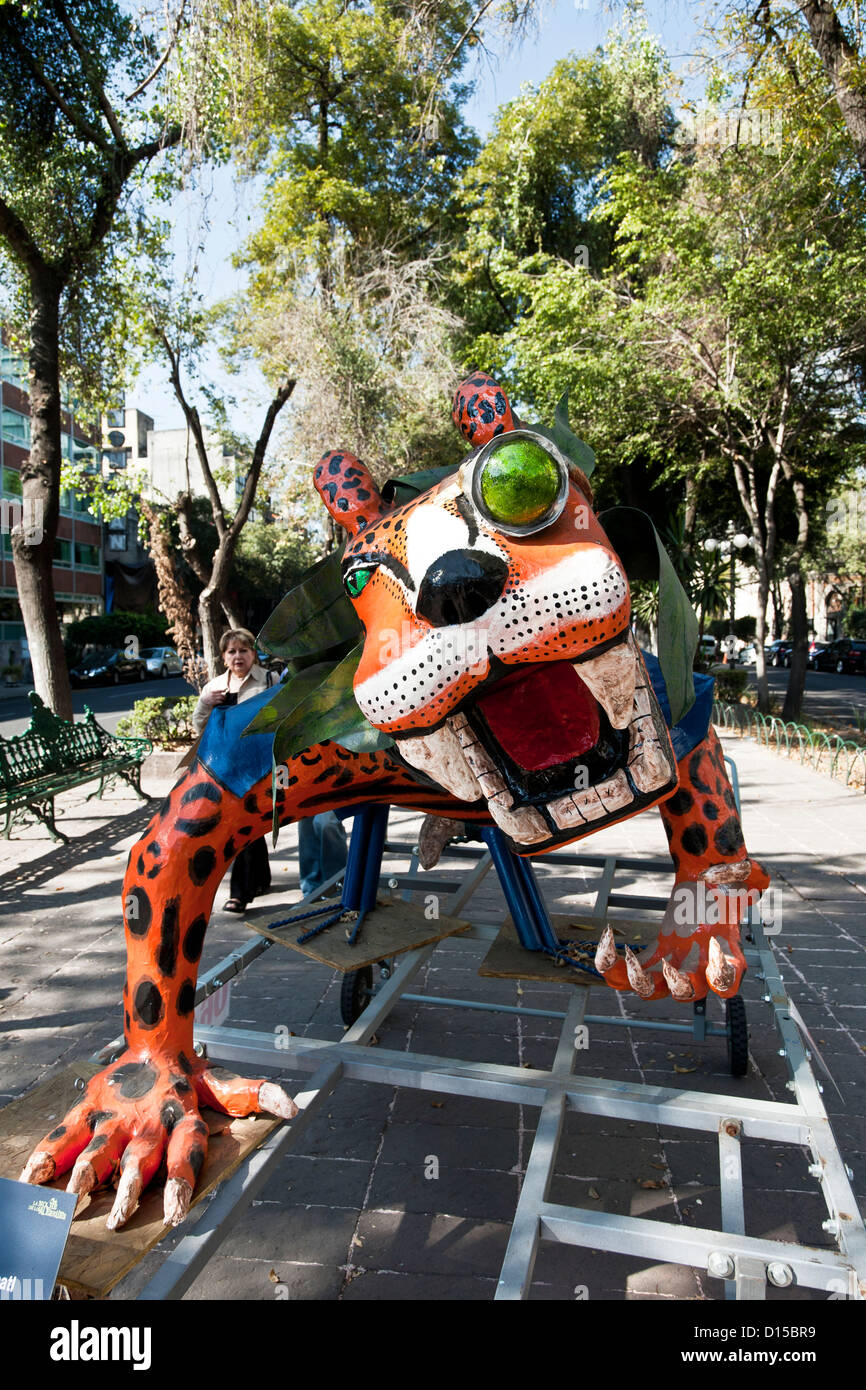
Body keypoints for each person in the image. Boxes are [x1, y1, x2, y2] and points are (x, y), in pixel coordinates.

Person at [193, 629, 278, 913]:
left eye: (243, 650)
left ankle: (245, 890)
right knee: (244, 824)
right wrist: (206, 702)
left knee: (249, 823)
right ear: (223, 657)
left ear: (253, 654)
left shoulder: (269, 680)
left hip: (261, 765)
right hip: (228, 770)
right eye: (232, 652)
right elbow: (199, 725)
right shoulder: (216, 686)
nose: (238, 656)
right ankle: (247, 888)